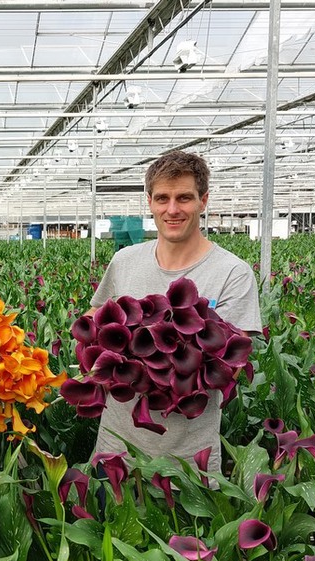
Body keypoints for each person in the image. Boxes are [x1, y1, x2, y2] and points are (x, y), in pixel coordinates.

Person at [87, 150, 262, 470]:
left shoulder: (232, 272)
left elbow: (232, 367)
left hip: (191, 462)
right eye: (162, 198)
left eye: (184, 198)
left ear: (203, 201)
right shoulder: (124, 260)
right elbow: (93, 319)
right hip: (115, 453)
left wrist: (141, 358)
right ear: (150, 201)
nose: (172, 209)